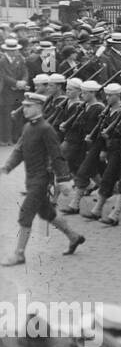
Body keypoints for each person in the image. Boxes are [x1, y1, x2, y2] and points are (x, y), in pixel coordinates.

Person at [1, 93, 84, 265]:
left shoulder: (46, 129)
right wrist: (7, 166)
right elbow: (19, 149)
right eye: (24, 106)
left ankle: (19, 254)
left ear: (39, 107)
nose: (24, 109)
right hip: (30, 178)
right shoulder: (27, 128)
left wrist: (63, 179)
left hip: (41, 180)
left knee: (26, 213)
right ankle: (74, 237)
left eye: (28, 106)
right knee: (47, 213)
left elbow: (57, 155)